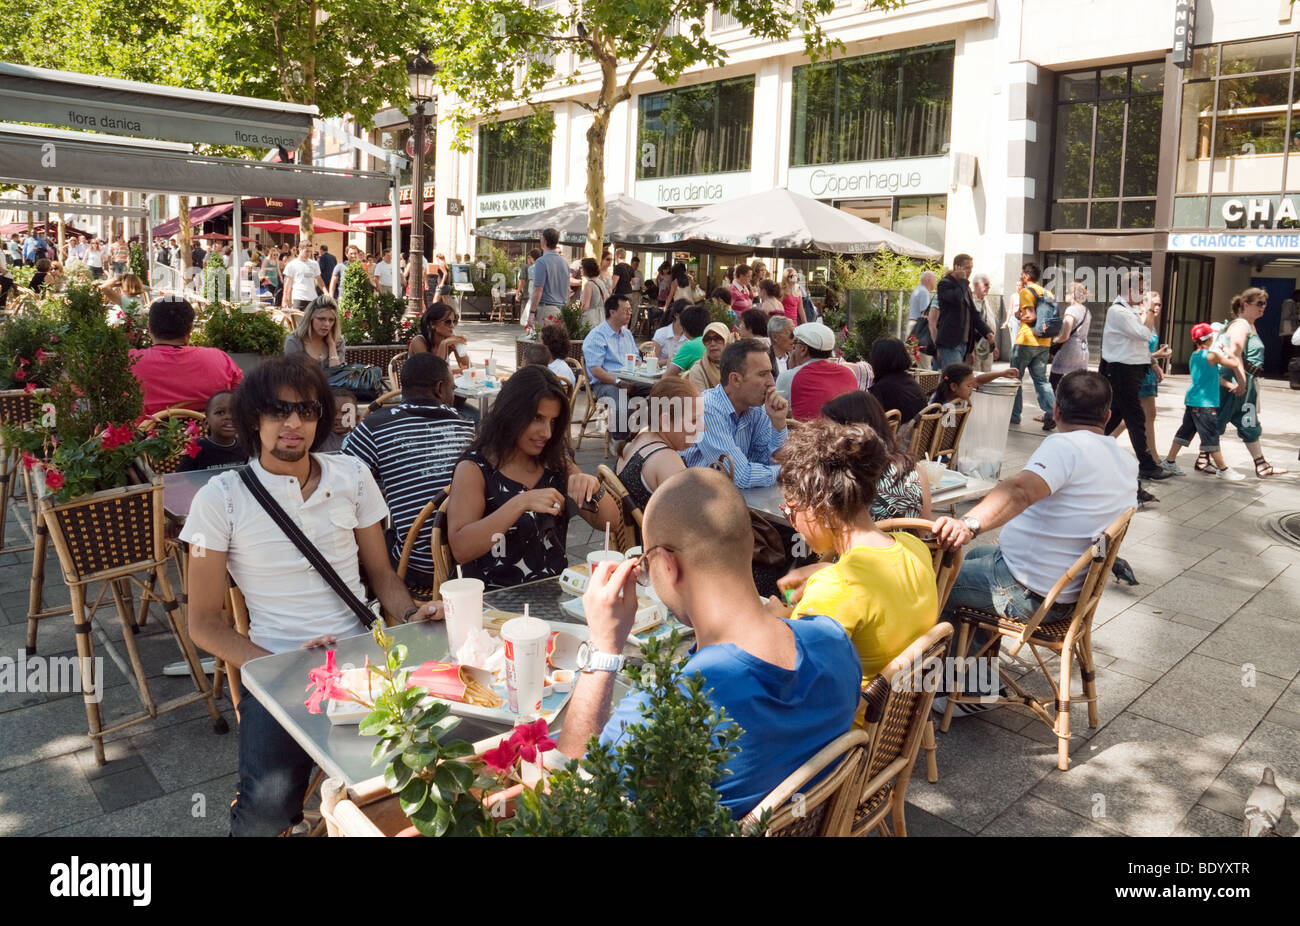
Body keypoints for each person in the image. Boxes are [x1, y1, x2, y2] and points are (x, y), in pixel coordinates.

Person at [181, 354, 444, 836]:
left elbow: (382, 577)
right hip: (275, 667)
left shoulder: (352, 477)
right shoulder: (219, 500)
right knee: (264, 814)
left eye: (306, 410)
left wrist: (412, 611)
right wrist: (277, 670)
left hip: (360, 659)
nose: (293, 423)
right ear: (252, 418)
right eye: (278, 411)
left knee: (426, 779)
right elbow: (204, 623)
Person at [555, 466, 862, 819]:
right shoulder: (835, 641)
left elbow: (575, 801)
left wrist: (604, 648)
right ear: (748, 542)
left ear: (668, 565)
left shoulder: (665, 711)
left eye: (646, 561)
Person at [929, 371, 1137, 710]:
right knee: (974, 556)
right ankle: (975, 676)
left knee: (930, 577)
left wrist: (968, 522)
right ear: (1107, 416)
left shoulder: (1066, 446)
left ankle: (957, 688)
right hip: (1064, 592)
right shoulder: (1124, 459)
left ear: (1056, 411)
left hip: (1029, 594)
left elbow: (1021, 490)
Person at [772, 418, 938, 680]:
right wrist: (828, 569)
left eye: (791, 512)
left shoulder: (834, 591)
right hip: (894, 709)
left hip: (850, 716)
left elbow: (795, 679)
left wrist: (776, 622)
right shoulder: (915, 548)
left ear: (819, 508)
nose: (794, 525)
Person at [445, 365, 616, 589]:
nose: (546, 432)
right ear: (511, 413)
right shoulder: (475, 468)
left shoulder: (556, 464)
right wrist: (521, 502)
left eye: (553, 422)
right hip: (489, 603)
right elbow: (461, 549)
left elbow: (611, 523)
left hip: (552, 596)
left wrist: (593, 488)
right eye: (537, 418)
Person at [342, 353, 475, 586]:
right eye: (453, 388)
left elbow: (341, 479)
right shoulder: (467, 425)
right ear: (440, 388)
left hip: (413, 566)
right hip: (466, 562)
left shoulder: (375, 426)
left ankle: (382, 604)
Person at [683, 339, 789, 488]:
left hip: (734, 497)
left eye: (771, 373)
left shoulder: (758, 407)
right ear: (735, 379)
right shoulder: (707, 408)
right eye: (762, 374)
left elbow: (769, 461)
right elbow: (739, 476)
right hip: (695, 499)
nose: (772, 382)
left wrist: (778, 424)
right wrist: (788, 471)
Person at [1205, 289, 1288, 478]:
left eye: (1265, 304)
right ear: (1245, 304)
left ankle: (1261, 464)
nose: (1263, 308)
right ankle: (1204, 459)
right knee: (1217, 422)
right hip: (1236, 383)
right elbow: (1234, 352)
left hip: (1245, 384)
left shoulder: (1249, 325)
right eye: (1259, 304)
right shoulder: (1241, 325)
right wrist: (1241, 380)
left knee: (1249, 423)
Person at [1100, 270, 1169, 481]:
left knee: (1114, 417)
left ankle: (1090, 448)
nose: (1144, 294)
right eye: (1140, 290)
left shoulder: (1130, 311)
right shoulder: (1118, 311)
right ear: (1130, 291)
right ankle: (1147, 465)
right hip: (1121, 371)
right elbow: (1143, 335)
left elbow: (1140, 346)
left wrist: (1153, 363)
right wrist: (1148, 312)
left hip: (1132, 372)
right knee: (1135, 417)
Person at [821, 390, 931, 520]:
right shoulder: (915, 472)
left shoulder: (839, 481)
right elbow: (924, 529)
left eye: (829, 431)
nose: (824, 438)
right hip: (908, 540)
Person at [130, 296, 244, 415]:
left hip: (144, 432)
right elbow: (242, 399)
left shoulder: (129, 362)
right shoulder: (219, 359)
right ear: (190, 329)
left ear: (149, 328)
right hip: (208, 432)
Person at [1161, 323, 1245, 482]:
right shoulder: (1212, 355)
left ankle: (1169, 461)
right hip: (1205, 404)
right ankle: (1223, 469)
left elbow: (1211, 378)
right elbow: (1234, 363)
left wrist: (1229, 385)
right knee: (1211, 436)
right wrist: (1227, 350)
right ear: (1210, 338)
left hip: (1193, 400)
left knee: (1184, 432)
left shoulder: (1194, 355)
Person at [614, 376, 703, 513]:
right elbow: (690, 518)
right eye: (693, 420)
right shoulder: (665, 459)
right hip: (654, 534)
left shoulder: (639, 437)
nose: (703, 427)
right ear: (665, 421)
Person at [582, 294, 640, 439]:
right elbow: (596, 371)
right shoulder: (597, 336)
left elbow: (637, 359)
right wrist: (619, 382)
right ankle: (620, 443)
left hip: (631, 378)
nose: (629, 313)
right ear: (612, 312)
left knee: (661, 390)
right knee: (623, 404)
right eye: (626, 310)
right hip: (605, 382)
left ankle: (644, 438)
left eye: (630, 310)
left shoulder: (627, 334)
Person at [774, 322, 857, 422]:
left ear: (803, 349)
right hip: (844, 435)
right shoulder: (849, 373)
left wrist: (792, 371)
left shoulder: (788, 377)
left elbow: (777, 415)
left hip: (805, 436)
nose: (792, 350)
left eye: (795, 344)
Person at [929, 254, 993, 370]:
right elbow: (956, 299)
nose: (969, 271)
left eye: (971, 268)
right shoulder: (945, 284)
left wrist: (987, 332)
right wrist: (962, 281)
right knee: (955, 378)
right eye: (966, 267)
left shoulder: (966, 288)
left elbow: (974, 314)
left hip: (964, 343)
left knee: (956, 378)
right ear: (957, 267)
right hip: (950, 342)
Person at [178, 391, 246, 472]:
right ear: (206, 423)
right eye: (220, 412)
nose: (228, 417)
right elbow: (181, 480)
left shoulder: (245, 447)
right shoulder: (197, 449)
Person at [867, 337, 928, 423]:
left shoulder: (883, 388)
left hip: (899, 435)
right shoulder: (911, 382)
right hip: (918, 433)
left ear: (878, 360)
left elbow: (874, 422)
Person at [1050, 281, 1091, 390]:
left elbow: (1065, 336)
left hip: (1069, 350)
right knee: (1076, 384)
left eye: (1067, 293)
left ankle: (1058, 406)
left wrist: (1055, 340)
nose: (1065, 295)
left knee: (1055, 382)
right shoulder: (1086, 311)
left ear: (1073, 295)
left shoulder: (1071, 310)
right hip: (1083, 350)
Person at [284, 295, 344, 369]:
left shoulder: (338, 341)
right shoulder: (294, 341)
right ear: (310, 318)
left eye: (331, 320)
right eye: (321, 319)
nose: (327, 324)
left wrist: (332, 346)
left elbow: (338, 376)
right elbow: (295, 376)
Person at [409, 302, 468, 373]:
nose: (452, 326)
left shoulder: (448, 342)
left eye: (454, 321)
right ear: (432, 324)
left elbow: (467, 368)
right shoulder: (418, 341)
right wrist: (444, 344)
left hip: (438, 383)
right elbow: (433, 373)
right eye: (447, 322)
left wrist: (458, 346)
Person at [929, 362, 1019, 408]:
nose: (972, 388)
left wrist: (1002, 373)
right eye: (969, 386)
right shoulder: (945, 407)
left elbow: (978, 380)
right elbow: (947, 434)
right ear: (954, 386)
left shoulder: (952, 394)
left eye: (972, 385)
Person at [531, 228, 572, 329]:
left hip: (547, 309)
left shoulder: (541, 262)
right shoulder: (564, 263)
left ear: (544, 241)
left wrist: (532, 311)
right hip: (561, 309)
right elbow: (567, 290)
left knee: (544, 342)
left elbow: (538, 289)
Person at [663, 305, 711, 377]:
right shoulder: (713, 342)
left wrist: (669, 364)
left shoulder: (690, 346)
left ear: (684, 327)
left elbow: (666, 378)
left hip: (694, 386)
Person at [684, 321, 731, 391]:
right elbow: (701, 399)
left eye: (717, 338)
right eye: (707, 339)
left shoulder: (738, 364)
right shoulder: (698, 370)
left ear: (727, 341)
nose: (712, 343)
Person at [282, 244, 324, 312]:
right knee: (298, 321)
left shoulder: (314, 264)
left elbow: (319, 280)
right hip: (298, 297)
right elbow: (287, 284)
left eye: (310, 251)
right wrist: (284, 300)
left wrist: (326, 292)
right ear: (300, 249)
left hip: (312, 298)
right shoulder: (292, 264)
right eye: (306, 251)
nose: (308, 254)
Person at [970, 273, 999, 373]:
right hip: (975, 345)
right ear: (976, 284)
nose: (988, 287)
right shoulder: (970, 301)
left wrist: (994, 346)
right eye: (986, 284)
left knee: (987, 375)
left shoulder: (986, 300)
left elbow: (990, 323)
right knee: (975, 375)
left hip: (987, 344)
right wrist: (970, 350)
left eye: (989, 285)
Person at [318, 387, 357, 452]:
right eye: (333, 412)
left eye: (345, 413)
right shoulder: (319, 441)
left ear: (356, 417)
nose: (338, 417)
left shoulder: (361, 438)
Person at [579, 257, 611, 330]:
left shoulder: (588, 284)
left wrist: (578, 313)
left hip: (590, 318)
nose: (580, 270)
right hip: (601, 316)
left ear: (587, 269)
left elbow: (586, 306)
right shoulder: (600, 282)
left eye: (582, 268)